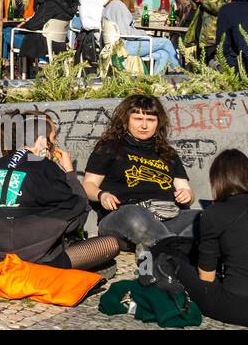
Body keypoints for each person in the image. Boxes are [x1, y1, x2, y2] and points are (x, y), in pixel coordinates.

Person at [153, 150, 248, 329]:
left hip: (240, 308)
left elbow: (206, 277)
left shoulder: (214, 213)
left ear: (217, 179)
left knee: (175, 262)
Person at [0, 111, 118, 270]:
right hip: (27, 255)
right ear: (42, 140)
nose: (51, 145)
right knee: (109, 244)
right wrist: (69, 172)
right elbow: (79, 212)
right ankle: (47, 268)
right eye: (52, 139)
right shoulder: (45, 166)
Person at [83, 95, 196, 248]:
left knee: (201, 218)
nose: (144, 126)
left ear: (158, 123)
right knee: (134, 215)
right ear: (126, 120)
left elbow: (186, 189)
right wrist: (102, 195)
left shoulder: (168, 153)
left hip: (167, 217)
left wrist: (187, 195)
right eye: (138, 119)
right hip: (123, 218)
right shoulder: (110, 147)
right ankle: (173, 249)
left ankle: (165, 246)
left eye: (150, 120)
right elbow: (88, 184)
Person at [104, 0, 181, 71]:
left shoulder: (111, 5)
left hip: (119, 45)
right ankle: (179, 71)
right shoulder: (119, 6)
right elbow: (127, 33)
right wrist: (143, 34)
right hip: (125, 47)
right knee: (165, 42)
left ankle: (154, 82)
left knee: (163, 54)